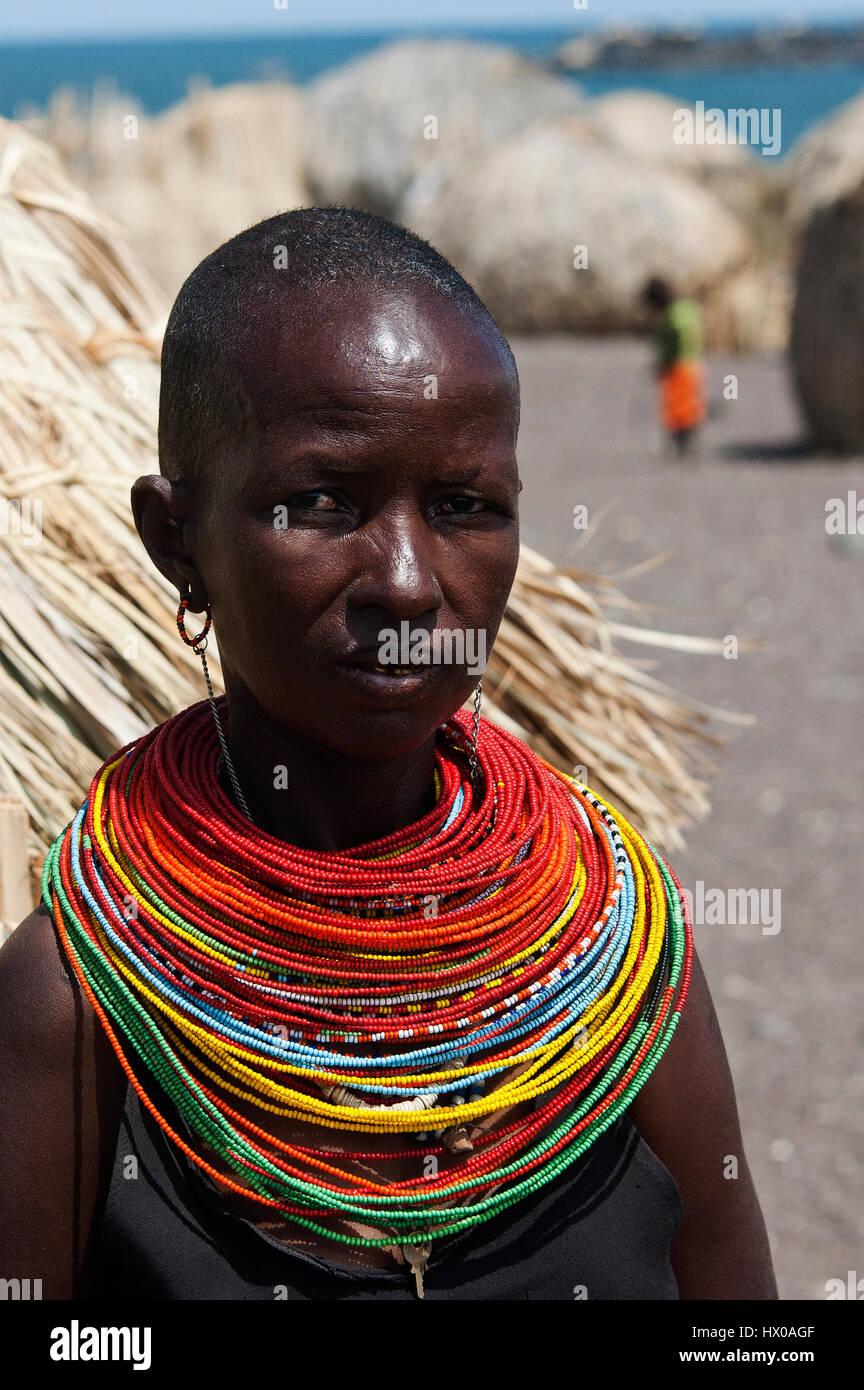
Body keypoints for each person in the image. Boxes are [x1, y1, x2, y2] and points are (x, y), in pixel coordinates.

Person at [0, 208, 777, 1301]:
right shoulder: (71, 1001)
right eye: (321, 501)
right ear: (178, 540)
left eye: (465, 506)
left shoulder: (613, 940)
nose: (409, 581)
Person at [642, 277, 707, 457]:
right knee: (686, 407)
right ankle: (684, 446)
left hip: (679, 366)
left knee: (678, 409)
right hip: (693, 363)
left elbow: (681, 333)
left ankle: (683, 447)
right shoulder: (686, 308)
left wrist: (668, 357)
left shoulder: (673, 314)